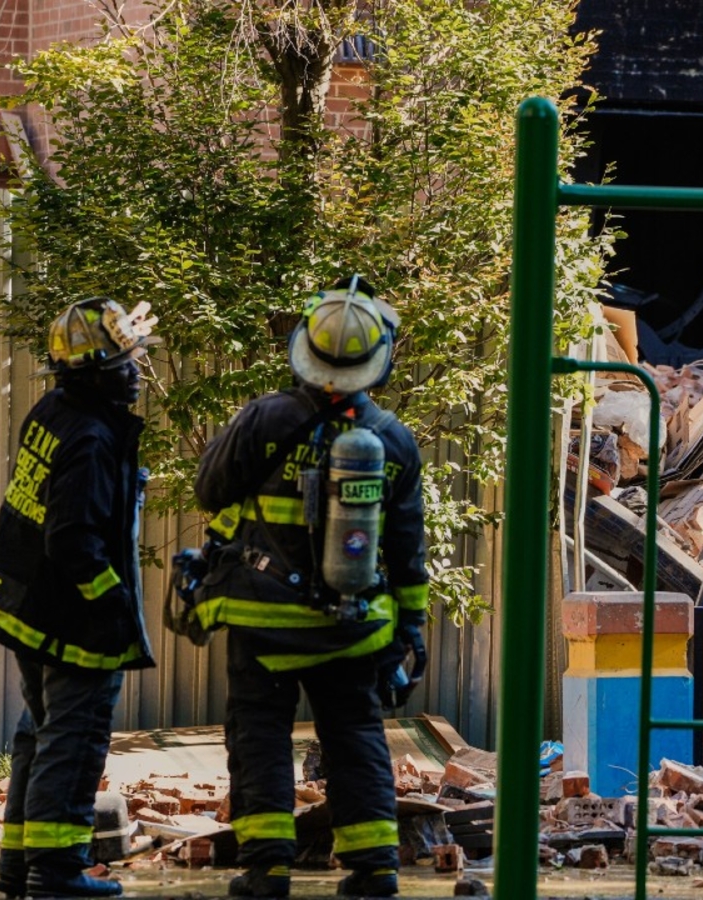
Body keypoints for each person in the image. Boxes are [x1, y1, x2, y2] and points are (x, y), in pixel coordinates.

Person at [193, 276, 430, 898]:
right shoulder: (393, 440)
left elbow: (209, 490)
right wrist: (412, 627)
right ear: (378, 362)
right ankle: (374, 867)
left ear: (304, 348)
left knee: (259, 735)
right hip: (351, 626)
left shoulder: (267, 418)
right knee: (354, 735)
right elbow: (407, 548)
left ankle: (266, 867)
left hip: (263, 620)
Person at [0, 297, 160, 899]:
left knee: (40, 733)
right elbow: (75, 540)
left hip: (29, 608)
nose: (136, 372)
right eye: (126, 362)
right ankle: (55, 873)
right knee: (72, 741)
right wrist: (110, 607)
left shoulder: (54, 408)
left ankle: (19, 865)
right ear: (98, 372)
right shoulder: (92, 436)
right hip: (73, 621)